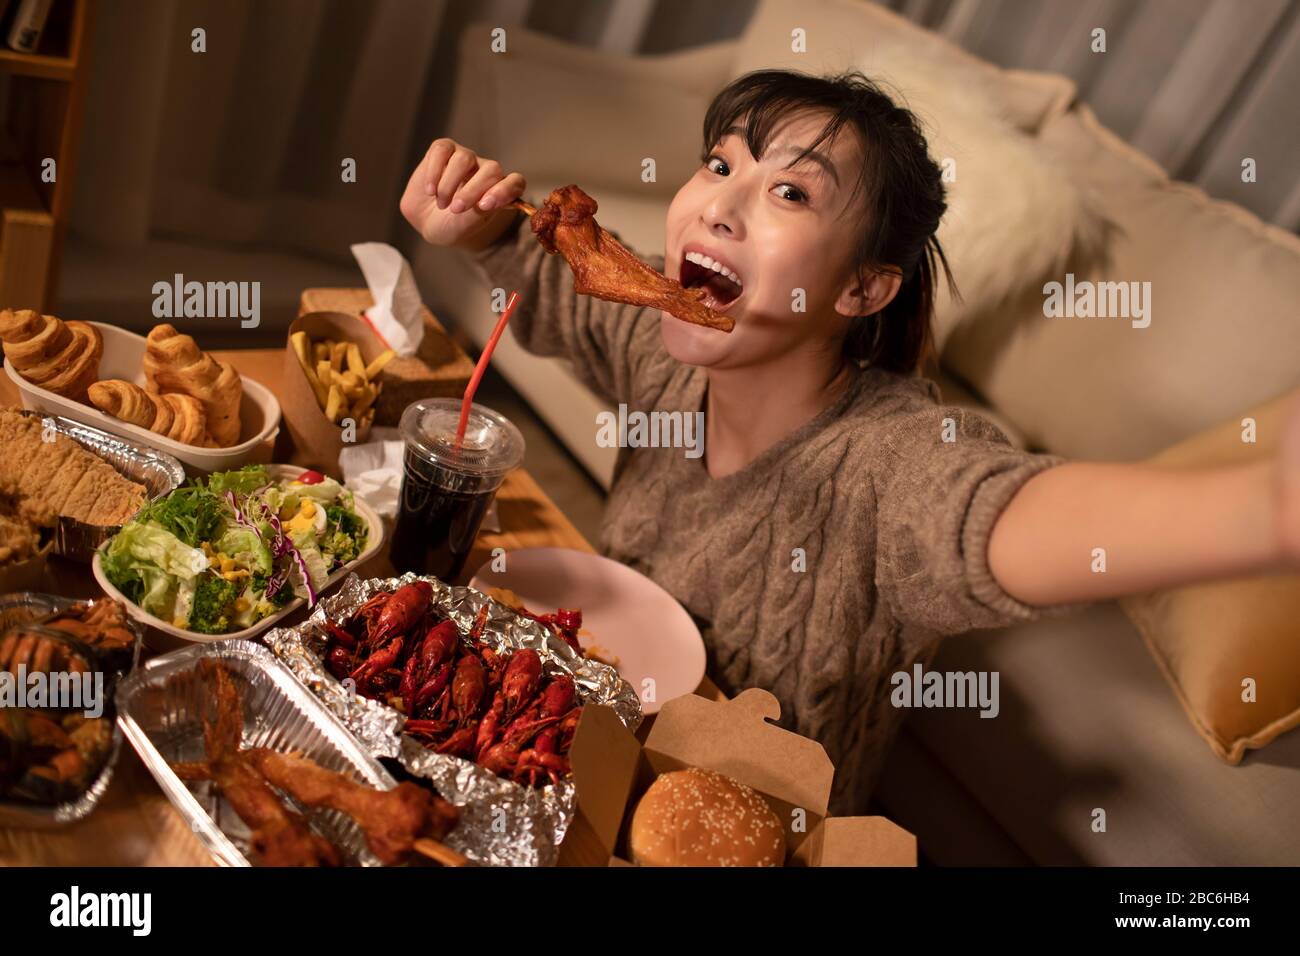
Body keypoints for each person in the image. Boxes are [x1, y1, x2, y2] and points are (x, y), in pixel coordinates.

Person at [400, 69, 1300, 815]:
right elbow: (558, 290)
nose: (719, 206)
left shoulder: (893, 461)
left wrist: (1263, 509)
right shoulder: (671, 360)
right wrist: (476, 221)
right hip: (573, 745)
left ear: (865, 290)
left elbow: (1004, 517)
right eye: (718, 165)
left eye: (790, 192)